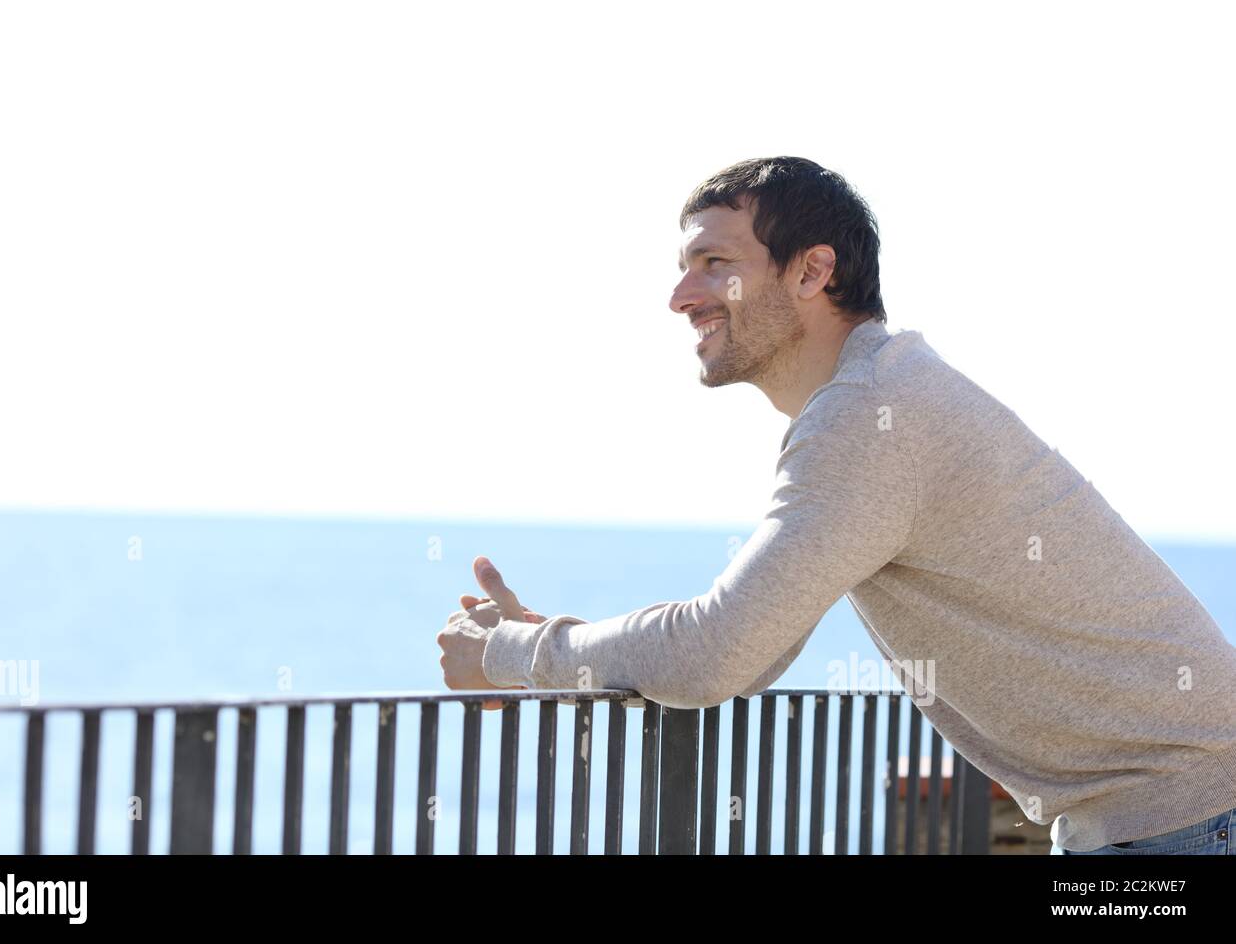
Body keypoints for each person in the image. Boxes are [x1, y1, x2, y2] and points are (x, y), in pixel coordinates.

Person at [436, 156, 1236, 854]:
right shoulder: (875, 400)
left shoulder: (871, 414)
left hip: (1185, 825)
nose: (681, 295)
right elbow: (752, 649)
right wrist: (547, 652)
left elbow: (715, 653)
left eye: (714, 263)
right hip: (1172, 817)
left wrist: (515, 652)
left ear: (813, 272)